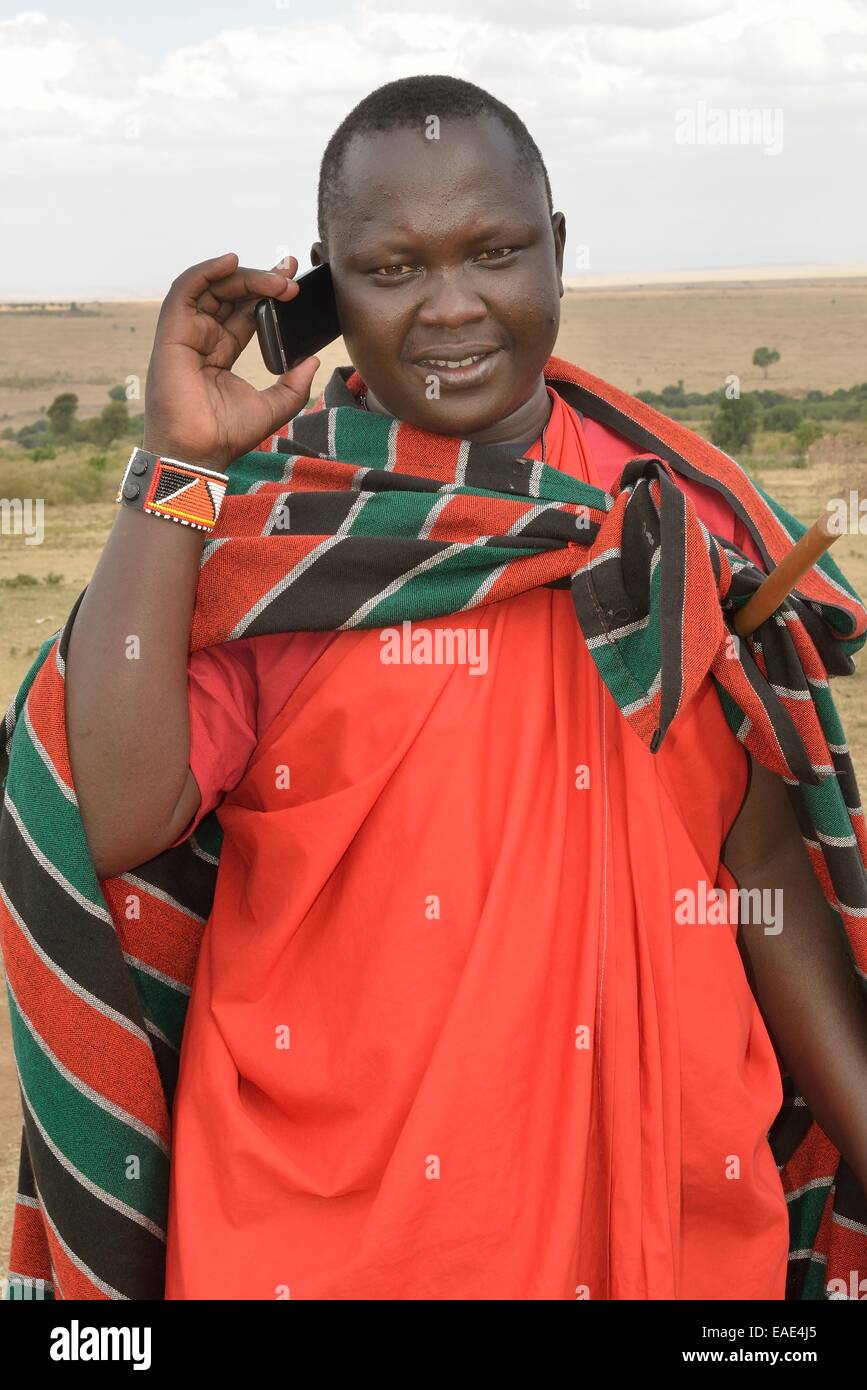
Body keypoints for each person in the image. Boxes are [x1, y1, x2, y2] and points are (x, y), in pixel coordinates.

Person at [56, 75, 867, 1300]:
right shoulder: (293, 538)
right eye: (392, 269)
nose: (451, 308)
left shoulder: (671, 518)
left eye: (494, 252)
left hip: (670, 1217)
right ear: (326, 289)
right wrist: (176, 466)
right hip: (334, 1237)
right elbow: (115, 814)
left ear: (559, 251)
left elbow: (757, 874)